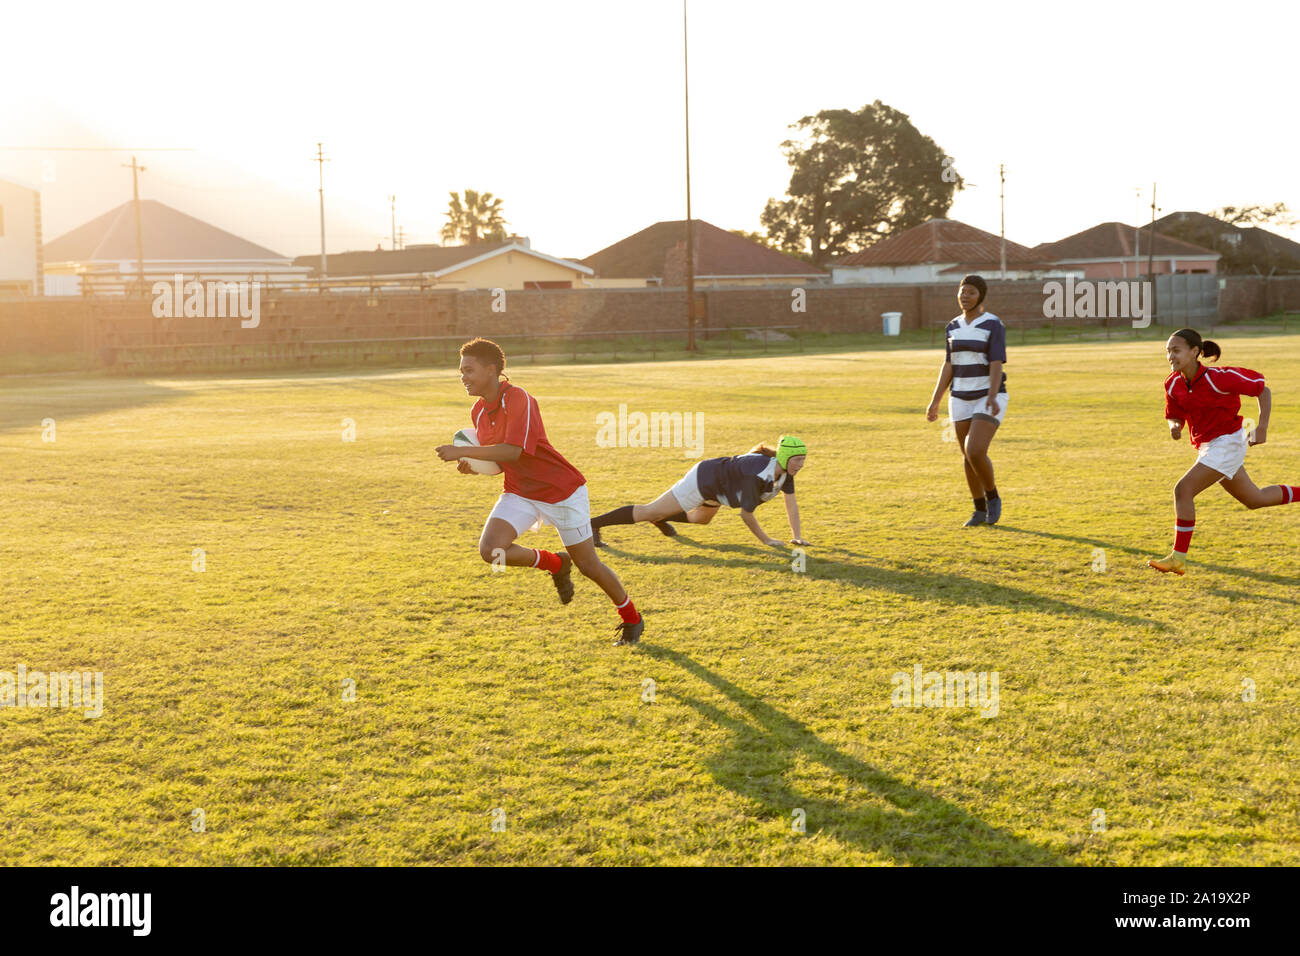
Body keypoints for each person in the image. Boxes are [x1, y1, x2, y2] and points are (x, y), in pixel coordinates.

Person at [435, 338, 645, 644]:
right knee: (491, 551)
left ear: (491, 370)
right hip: (520, 491)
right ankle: (556, 563)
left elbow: (514, 451)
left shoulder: (518, 398)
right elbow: (498, 461)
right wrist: (470, 464)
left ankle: (632, 619)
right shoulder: (478, 412)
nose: (463, 377)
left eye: (469, 370)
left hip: (561, 491)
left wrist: (460, 451)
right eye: (461, 371)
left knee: (589, 565)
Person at [1147, 328, 1300, 575]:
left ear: (1195, 352)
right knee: (1255, 499)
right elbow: (1174, 413)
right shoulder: (1172, 382)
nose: (1170, 356)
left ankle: (1177, 558)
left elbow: (1263, 390)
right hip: (1208, 447)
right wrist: (1175, 426)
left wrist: (1261, 427)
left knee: (1183, 490)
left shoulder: (1219, 377)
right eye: (1168, 351)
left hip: (1228, 442)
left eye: (1176, 350)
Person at [590, 436, 810, 550]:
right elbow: (746, 514)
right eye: (797, 459)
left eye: (803, 460)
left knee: (699, 519)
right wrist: (767, 541)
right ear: (784, 458)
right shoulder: (758, 474)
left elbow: (791, 504)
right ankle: (594, 524)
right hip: (705, 479)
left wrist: (797, 536)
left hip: (720, 487)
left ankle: (660, 519)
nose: (801, 464)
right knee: (650, 511)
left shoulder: (785, 473)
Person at [925, 274, 1008, 526]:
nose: (965, 296)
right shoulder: (952, 326)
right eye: (962, 291)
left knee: (975, 450)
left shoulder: (993, 324)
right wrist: (935, 400)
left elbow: (996, 363)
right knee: (966, 455)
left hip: (988, 395)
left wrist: (992, 395)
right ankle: (978, 509)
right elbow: (949, 364)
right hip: (959, 396)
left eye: (971, 292)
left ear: (980, 296)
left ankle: (992, 497)